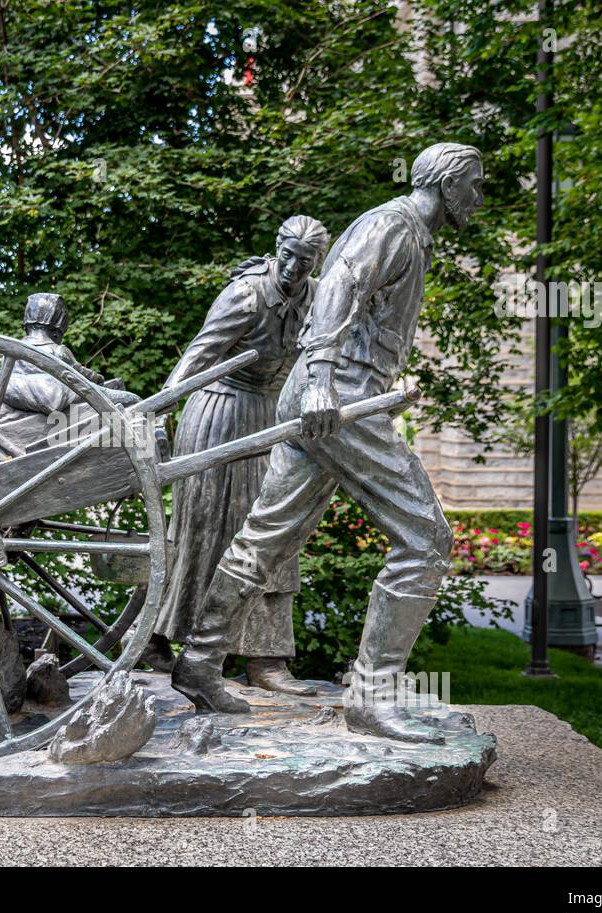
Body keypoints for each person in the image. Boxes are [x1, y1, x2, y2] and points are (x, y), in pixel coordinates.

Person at [171, 144, 484, 745]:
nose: (479, 196)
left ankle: (200, 661)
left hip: (329, 396)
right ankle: (371, 696)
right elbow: (339, 286)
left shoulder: (411, 234)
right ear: (446, 184)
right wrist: (318, 378)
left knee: (264, 534)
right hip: (338, 399)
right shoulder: (392, 225)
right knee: (426, 538)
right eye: (473, 184)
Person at [150, 216, 329, 692]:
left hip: (273, 419)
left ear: (318, 263)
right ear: (277, 249)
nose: (293, 268)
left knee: (275, 533)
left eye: (305, 262)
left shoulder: (318, 297)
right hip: (221, 413)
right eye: (287, 256)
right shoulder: (247, 293)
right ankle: (166, 639)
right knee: (208, 529)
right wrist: (159, 408)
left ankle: (266, 660)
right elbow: (200, 353)